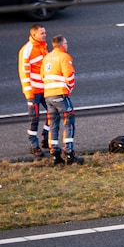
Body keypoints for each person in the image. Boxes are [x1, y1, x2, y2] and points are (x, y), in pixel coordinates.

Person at [42, 35, 82, 165]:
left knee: (53, 125)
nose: (67, 44)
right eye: (66, 42)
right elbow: (69, 75)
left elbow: (43, 75)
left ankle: (55, 154)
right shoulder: (64, 57)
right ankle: (69, 153)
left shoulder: (47, 57)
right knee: (68, 123)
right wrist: (69, 89)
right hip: (61, 95)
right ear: (62, 45)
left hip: (48, 96)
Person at [18, 23, 49, 159]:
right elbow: (24, 72)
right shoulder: (27, 50)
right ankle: (34, 145)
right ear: (34, 34)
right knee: (34, 118)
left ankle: (45, 138)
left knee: (53, 112)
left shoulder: (43, 46)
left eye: (44, 32)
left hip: (45, 88)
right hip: (34, 91)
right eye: (42, 33)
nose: (45, 35)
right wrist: (28, 91)